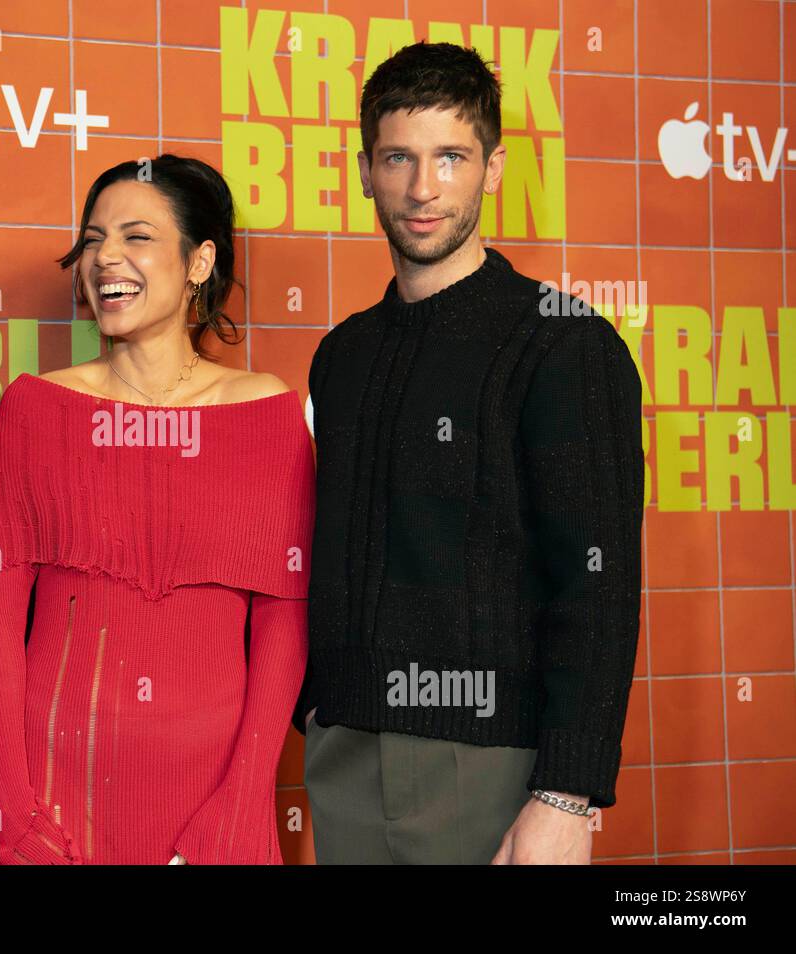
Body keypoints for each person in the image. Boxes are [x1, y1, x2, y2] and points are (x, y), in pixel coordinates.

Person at [295, 42, 645, 864]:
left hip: (489, 765)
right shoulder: (341, 356)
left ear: (492, 169)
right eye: (399, 159)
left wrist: (567, 793)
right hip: (343, 757)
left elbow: (598, 583)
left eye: (451, 157)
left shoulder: (564, 342)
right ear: (364, 170)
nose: (423, 188)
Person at [0, 155, 315, 864]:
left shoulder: (267, 414)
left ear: (199, 261)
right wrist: (12, 806)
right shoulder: (33, 409)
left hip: (216, 808)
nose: (105, 258)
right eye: (93, 240)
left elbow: (283, 621)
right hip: (57, 817)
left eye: (136, 236)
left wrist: (245, 804)